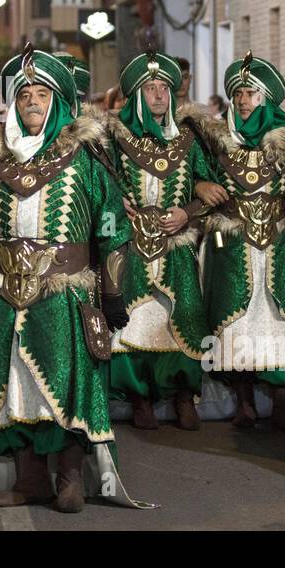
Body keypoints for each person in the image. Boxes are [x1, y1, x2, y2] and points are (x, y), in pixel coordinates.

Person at [0, 46, 134, 513]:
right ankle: (30, 481)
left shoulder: (84, 155)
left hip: (64, 295)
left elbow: (112, 226)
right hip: (6, 290)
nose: (32, 102)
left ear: (59, 100)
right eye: (24, 95)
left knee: (62, 388)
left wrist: (113, 291)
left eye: (42, 93)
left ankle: (68, 481)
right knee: (12, 388)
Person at [187, 53, 285, 431]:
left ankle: (284, 401)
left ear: (267, 97)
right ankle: (243, 400)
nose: (243, 100)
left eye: (252, 93)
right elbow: (194, 170)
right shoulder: (213, 137)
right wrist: (200, 185)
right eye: (238, 92)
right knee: (234, 319)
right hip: (231, 240)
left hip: (279, 238)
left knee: (283, 319)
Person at [105, 51, 216, 430]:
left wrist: (188, 212)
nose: (158, 96)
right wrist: (114, 200)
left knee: (182, 317)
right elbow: (97, 182)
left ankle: (184, 395)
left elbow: (209, 190)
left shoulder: (189, 138)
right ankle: (140, 397)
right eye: (150, 89)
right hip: (132, 245)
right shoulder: (114, 139)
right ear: (136, 95)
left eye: (164, 89)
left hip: (176, 245)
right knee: (132, 320)